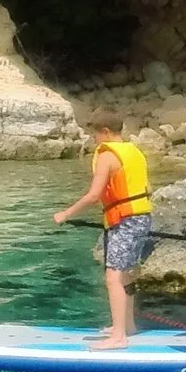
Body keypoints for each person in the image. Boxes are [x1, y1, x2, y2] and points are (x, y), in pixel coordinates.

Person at [53, 109, 154, 346]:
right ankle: (127, 326)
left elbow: (93, 195)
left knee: (113, 278)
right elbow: (147, 187)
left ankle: (118, 337)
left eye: (95, 135)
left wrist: (65, 214)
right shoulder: (135, 152)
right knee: (126, 273)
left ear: (106, 132)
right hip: (140, 217)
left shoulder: (108, 156)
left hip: (124, 221)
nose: (94, 139)